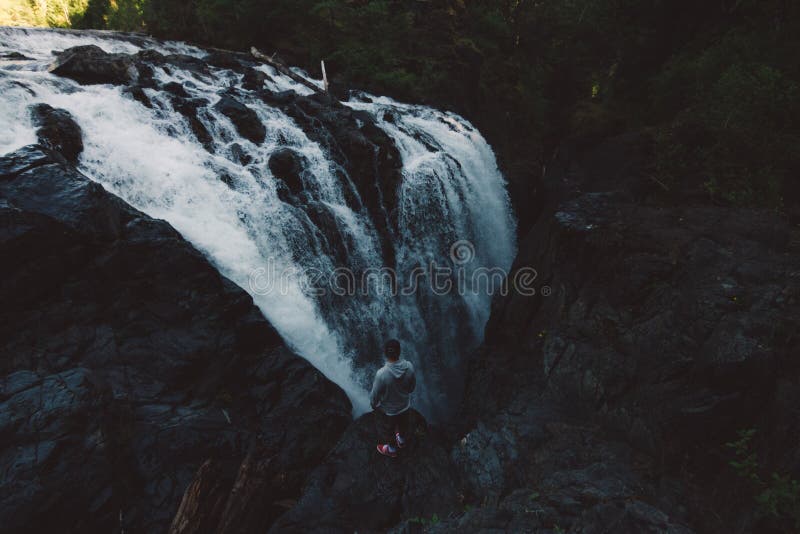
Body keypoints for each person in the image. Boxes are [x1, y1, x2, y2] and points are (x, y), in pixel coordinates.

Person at [370, 339, 416, 457]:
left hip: (389, 411)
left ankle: (391, 449)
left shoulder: (382, 374)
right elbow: (412, 387)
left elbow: (374, 395)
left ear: (385, 353)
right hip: (405, 406)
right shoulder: (409, 366)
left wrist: (374, 405)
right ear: (399, 351)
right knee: (403, 425)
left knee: (389, 430)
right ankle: (401, 440)